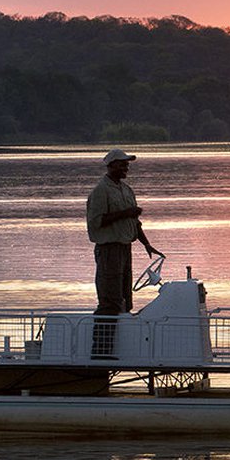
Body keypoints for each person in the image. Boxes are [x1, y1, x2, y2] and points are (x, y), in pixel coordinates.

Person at [86, 148, 159, 357]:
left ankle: (117, 349)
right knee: (110, 300)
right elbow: (97, 222)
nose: (126, 167)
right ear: (110, 166)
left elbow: (134, 222)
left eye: (127, 164)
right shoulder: (100, 191)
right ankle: (100, 352)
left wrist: (146, 244)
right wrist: (126, 213)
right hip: (108, 249)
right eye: (122, 164)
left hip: (125, 249)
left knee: (125, 298)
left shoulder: (127, 189)